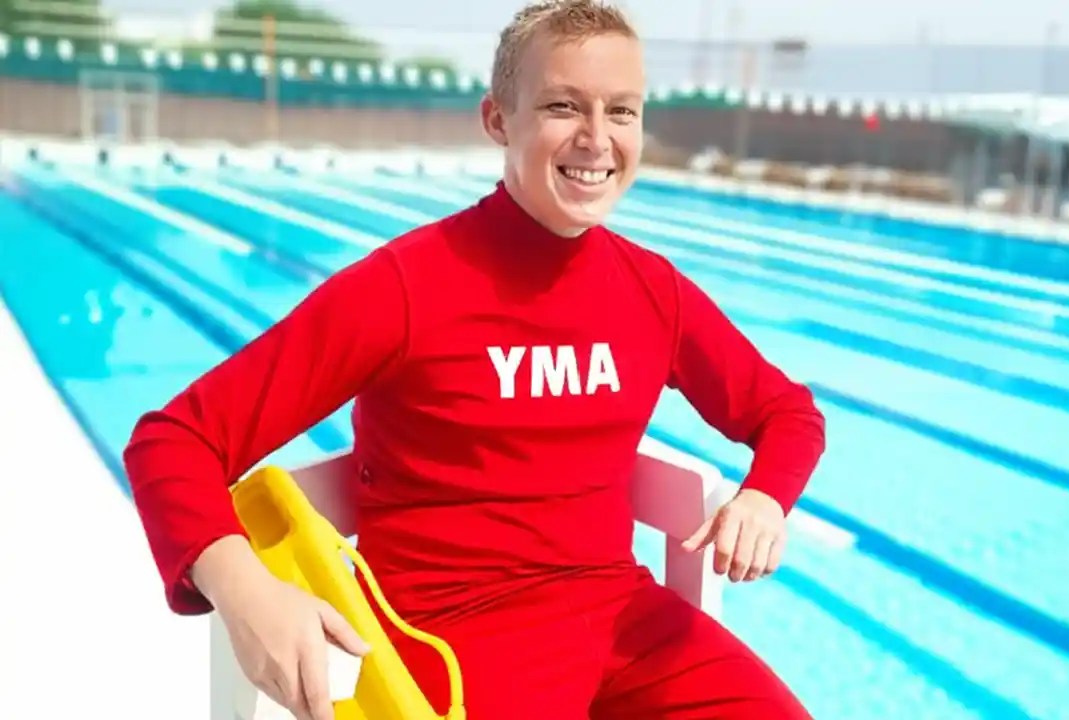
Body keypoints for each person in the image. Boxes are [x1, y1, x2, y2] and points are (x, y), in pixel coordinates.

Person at [123, 1, 827, 718]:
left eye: (622, 111)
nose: (597, 139)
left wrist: (765, 496)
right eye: (562, 106)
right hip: (455, 642)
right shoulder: (405, 288)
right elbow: (172, 441)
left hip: (624, 621)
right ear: (498, 120)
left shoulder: (653, 291)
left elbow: (787, 412)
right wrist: (246, 592)